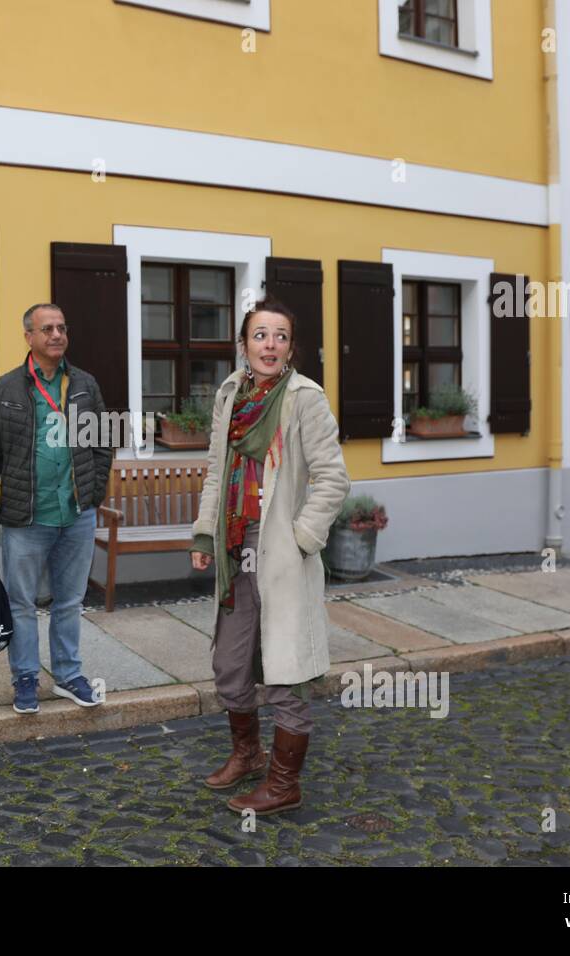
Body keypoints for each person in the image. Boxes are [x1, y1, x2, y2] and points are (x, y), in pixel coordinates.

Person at [189, 298, 350, 815]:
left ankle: (284, 785)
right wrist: (204, 536)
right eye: (260, 335)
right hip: (237, 543)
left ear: (290, 347)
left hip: (280, 546)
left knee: (287, 664)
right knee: (230, 662)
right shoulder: (230, 394)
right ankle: (248, 754)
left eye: (280, 336)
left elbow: (333, 478)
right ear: (244, 344)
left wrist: (302, 538)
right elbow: (217, 470)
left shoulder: (305, 397)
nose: (270, 345)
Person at [0, 303, 115, 714]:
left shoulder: (84, 385)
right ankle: (27, 679)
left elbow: (103, 443)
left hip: (76, 516)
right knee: (21, 604)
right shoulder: (5, 390)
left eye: (62, 328)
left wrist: (93, 494)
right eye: (47, 329)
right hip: (25, 518)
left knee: (69, 601)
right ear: (29, 336)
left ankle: (69, 676)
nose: (56, 335)